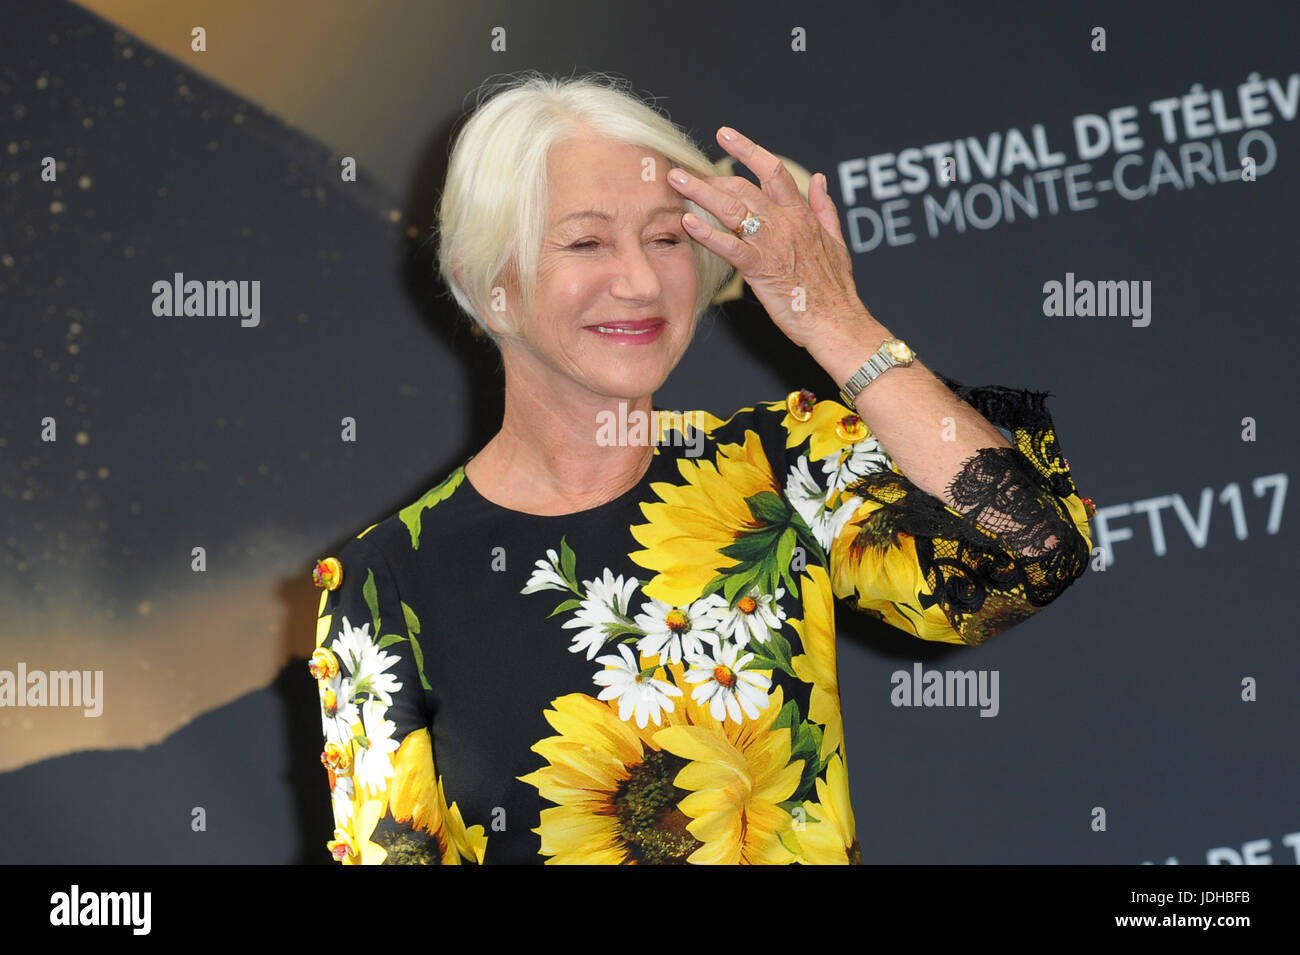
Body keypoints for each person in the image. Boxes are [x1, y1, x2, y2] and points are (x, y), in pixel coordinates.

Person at [307, 71, 1095, 865]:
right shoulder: (388, 583)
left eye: (666, 238)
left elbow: (1034, 553)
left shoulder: (778, 467)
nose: (642, 281)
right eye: (586, 241)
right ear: (494, 287)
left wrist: (835, 319)